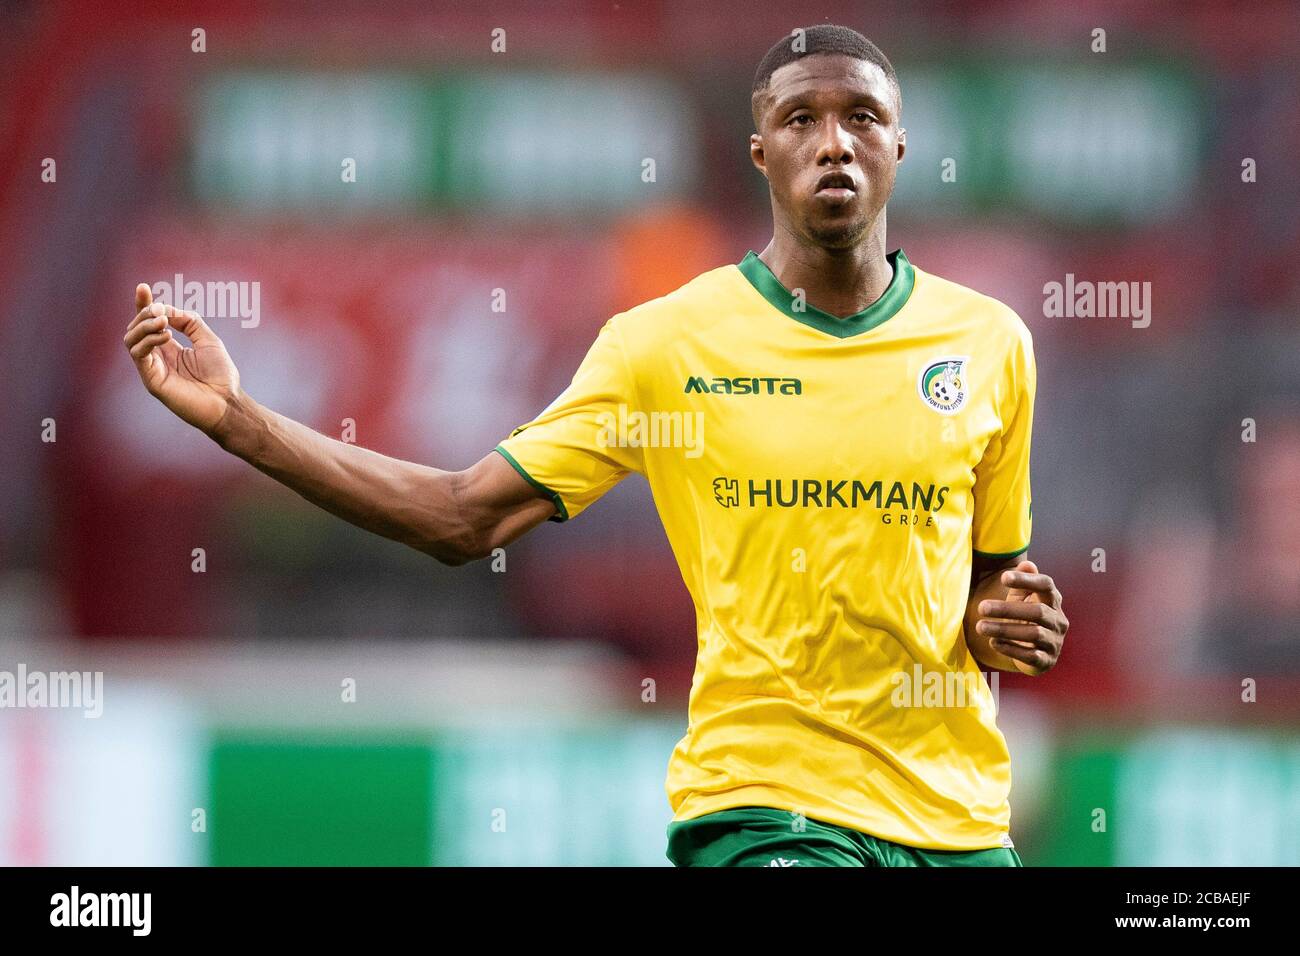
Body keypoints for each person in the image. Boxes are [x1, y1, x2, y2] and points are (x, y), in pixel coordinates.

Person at [123, 24, 1067, 867]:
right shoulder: (667, 343)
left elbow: (989, 586)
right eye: (799, 120)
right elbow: (462, 515)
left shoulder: (988, 344)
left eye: (861, 116)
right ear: (760, 152)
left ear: (900, 144)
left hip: (958, 824)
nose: (833, 143)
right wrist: (241, 422)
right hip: (768, 810)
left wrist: (1009, 622)